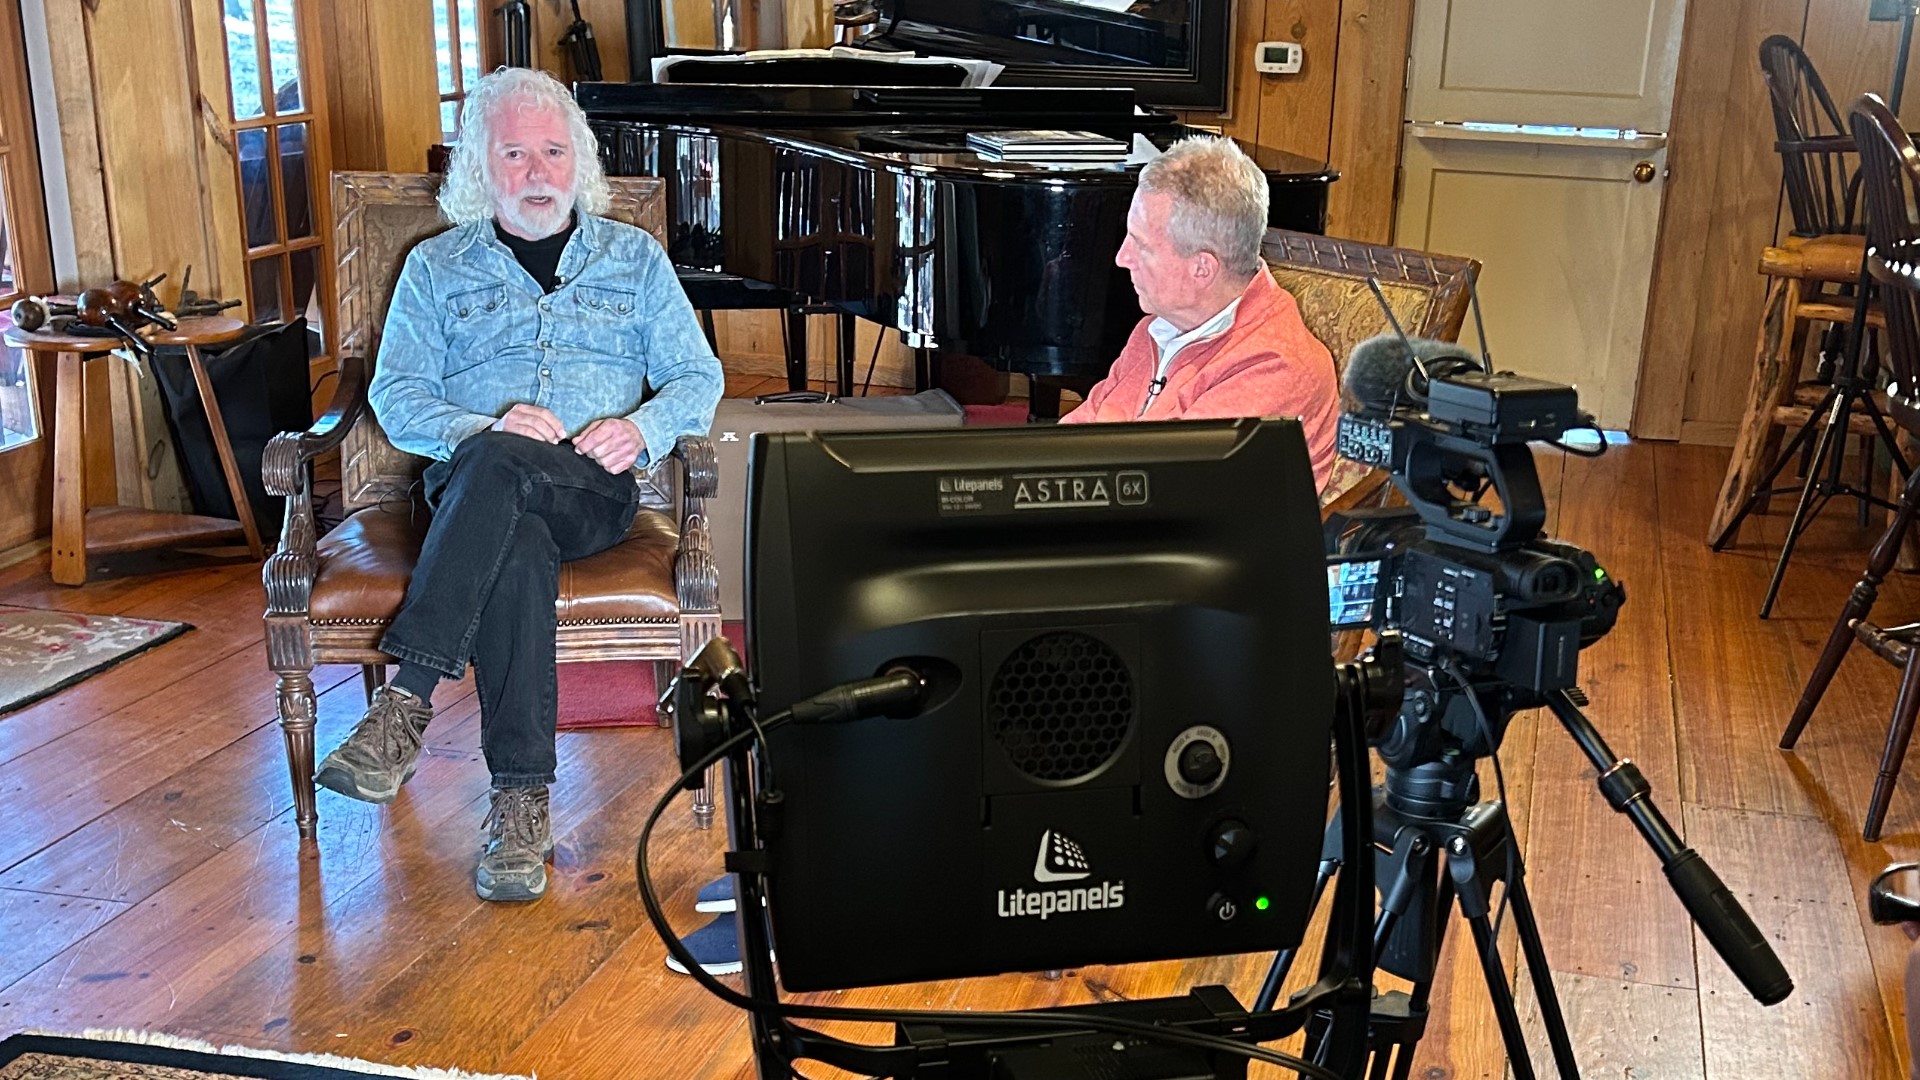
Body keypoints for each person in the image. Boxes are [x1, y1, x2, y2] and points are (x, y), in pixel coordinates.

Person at [312, 67, 724, 903]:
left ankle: (407, 702)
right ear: (479, 168)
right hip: (475, 484)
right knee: (510, 512)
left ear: (579, 161)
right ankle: (519, 806)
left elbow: (697, 376)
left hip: (592, 492)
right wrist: (479, 429)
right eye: (513, 154)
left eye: (551, 151)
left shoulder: (634, 259)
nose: (537, 172)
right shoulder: (435, 268)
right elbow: (396, 396)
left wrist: (640, 429)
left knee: (513, 479)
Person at [1060, 136, 1340, 494]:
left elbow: (1165, 490)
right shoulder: (1158, 329)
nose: (1122, 258)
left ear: (1202, 268)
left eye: (1141, 245)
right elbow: (1071, 439)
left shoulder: (1275, 366)